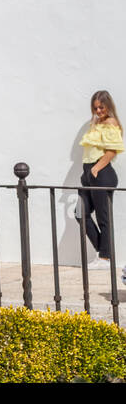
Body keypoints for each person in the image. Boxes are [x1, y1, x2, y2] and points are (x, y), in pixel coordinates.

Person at [78, 90, 122, 272]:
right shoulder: (97, 123)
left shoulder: (111, 123)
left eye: (101, 107)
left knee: (103, 217)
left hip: (101, 172)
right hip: (89, 173)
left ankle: (105, 257)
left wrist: (96, 168)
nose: (98, 110)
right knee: (80, 213)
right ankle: (103, 252)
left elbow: (112, 150)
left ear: (108, 106)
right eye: (95, 108)